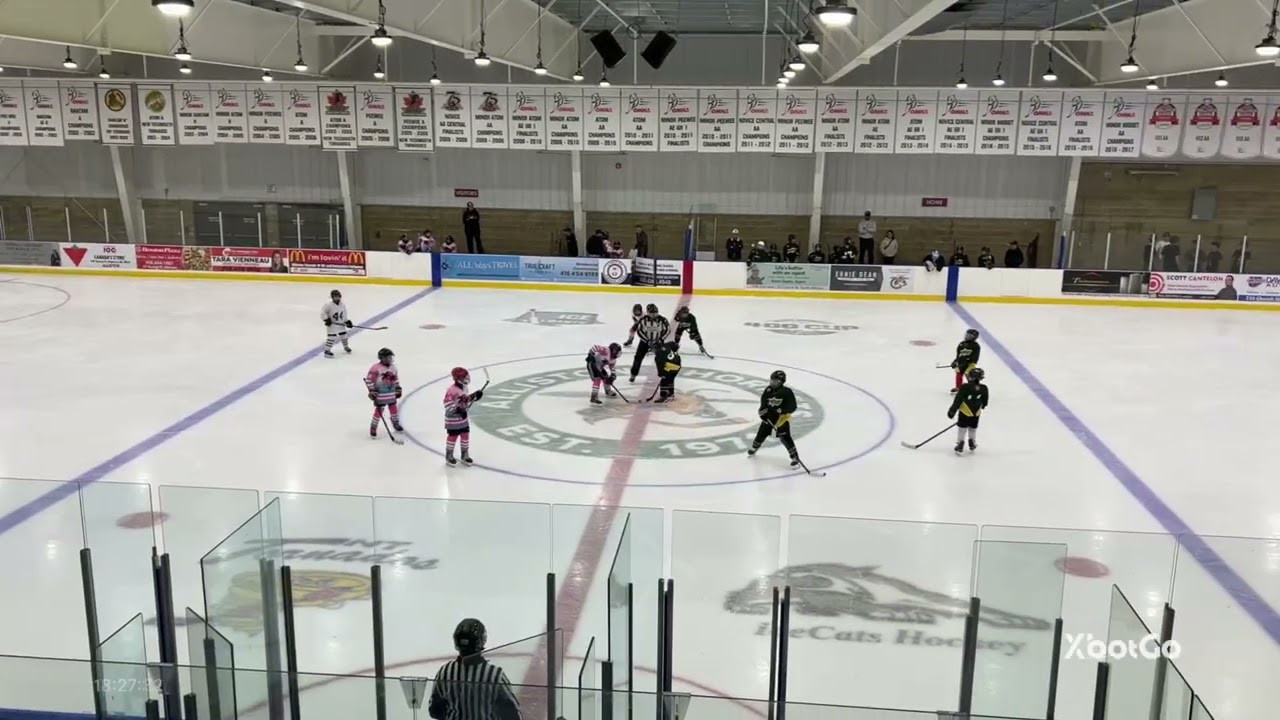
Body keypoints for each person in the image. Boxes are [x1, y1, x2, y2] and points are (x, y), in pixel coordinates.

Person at [428, 618, 521, 720]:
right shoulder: (494, 675)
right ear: (481, 642)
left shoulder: (445, 672)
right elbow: (513, 714)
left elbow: (434, 710)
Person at [748, 370, 803, 468]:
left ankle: (795, 457)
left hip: (782, 417)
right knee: (762, 432)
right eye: (772, 380)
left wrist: (781, 410)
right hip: (770, 415)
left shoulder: (787, 392)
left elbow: (793, 406)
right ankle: (755, 446)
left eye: (775, 381)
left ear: (781, 382)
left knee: (785, 436)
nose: (772, 383)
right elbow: (763, 402)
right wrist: (762, 412)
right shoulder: (768, 390)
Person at [443, 367, 483, 465]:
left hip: (463, 419)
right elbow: (447, 405)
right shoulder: (451, 390)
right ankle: (449, 455)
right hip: (453, 419)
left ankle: (465, 454)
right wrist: (458, 410)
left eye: (466, 377)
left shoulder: (465, 388)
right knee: (453, 436)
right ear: (458, 379)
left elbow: (465, 400)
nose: (466, 379)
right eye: (464, 378)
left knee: (465, 435)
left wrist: (474, 396)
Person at [948, 367, 989, 455]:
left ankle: (960, 443)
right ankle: (972, 441)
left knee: (962, 428)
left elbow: (958, 400)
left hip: (965, 411)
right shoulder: (984, 388)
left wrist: (952, 410)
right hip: (976, 413)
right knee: (973, 428)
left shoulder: (965, 387)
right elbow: (985, 401)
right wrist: (982, 406)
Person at [364, 348, 403, 438]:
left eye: (390, 357)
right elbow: (369, 380)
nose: (390, 359)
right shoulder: (375, 368)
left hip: (391, 394)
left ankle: (395, 423)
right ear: (382, 358)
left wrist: (398, 388)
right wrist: (372, 391)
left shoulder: (393, 367)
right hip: (380, 395)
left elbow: (396, 379)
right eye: (388, 357)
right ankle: (373, 427)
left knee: (394, 410)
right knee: (378, 412)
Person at [629, 303, 670, 383]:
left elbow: (667, 330)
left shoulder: (663, 319)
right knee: (638, 357)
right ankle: (633, 374)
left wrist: (661, 339)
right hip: (644, 342)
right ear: (648, 312)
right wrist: (646, 340)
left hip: (658, 342)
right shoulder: (643, 320)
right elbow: (639, 331)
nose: (654, 314)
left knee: (661, 359)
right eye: (652, 313)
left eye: (655, 312)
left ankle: (663, 374)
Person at [322, 289, 354, 358]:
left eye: (338, 296)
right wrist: (326, 319)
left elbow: (344, 313)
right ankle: (327, 350)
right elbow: (323, 313)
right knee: (331, 337)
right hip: (332, 324)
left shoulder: (342, 304)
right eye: (335, 297)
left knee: (344, 336)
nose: (337, 298)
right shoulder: (328, 304)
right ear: (332, 297)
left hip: (340, 323)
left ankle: (346, 347)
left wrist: (346, 321)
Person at [950, 329, 981, 394]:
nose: (967, 336)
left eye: (970, 335)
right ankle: (958, 387)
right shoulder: (961, 344)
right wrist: (955, 362)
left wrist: (967, 361)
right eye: (967, 335)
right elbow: (958, 355)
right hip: (961, 364)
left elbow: (975, 358)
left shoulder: (976, 346)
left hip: (970, 364)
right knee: (958, 371)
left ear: (974, 337)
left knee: (968, 373)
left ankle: (973, 387)